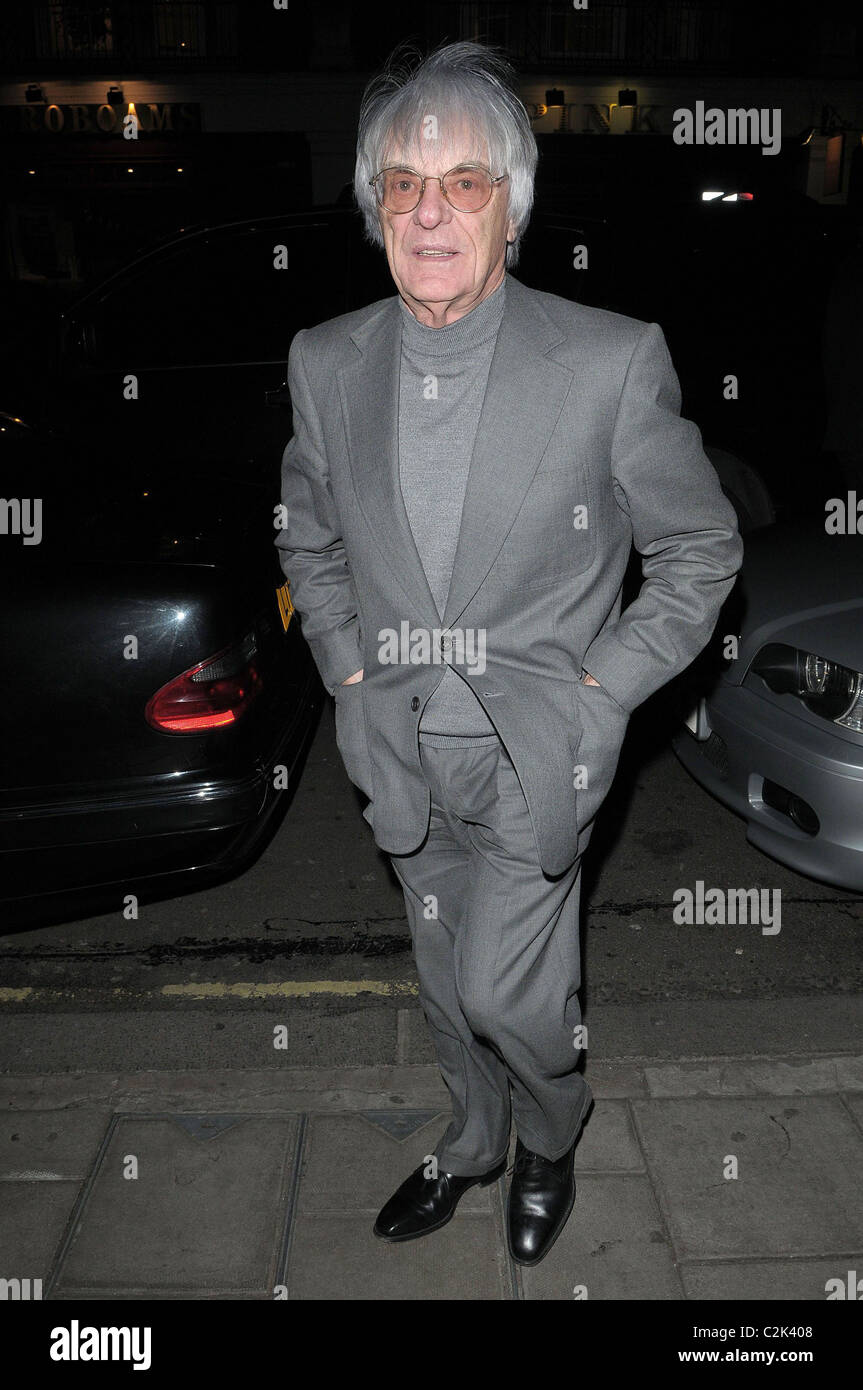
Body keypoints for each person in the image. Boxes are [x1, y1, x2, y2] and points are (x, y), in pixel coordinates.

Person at [276, 40, 744, 1266]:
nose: (429, 211)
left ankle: (550, 1126)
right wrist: (351, 671)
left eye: (463, 182)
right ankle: (470, 1138)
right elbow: (309, 544)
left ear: (510, 206)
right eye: (401, 185)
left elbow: (699, 552)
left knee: (506, 993)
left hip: (538, 752)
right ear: (375, 205)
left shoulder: (606, 360)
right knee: (441, 985)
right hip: (396, 749)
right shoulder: (325, 363)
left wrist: (600, 692)